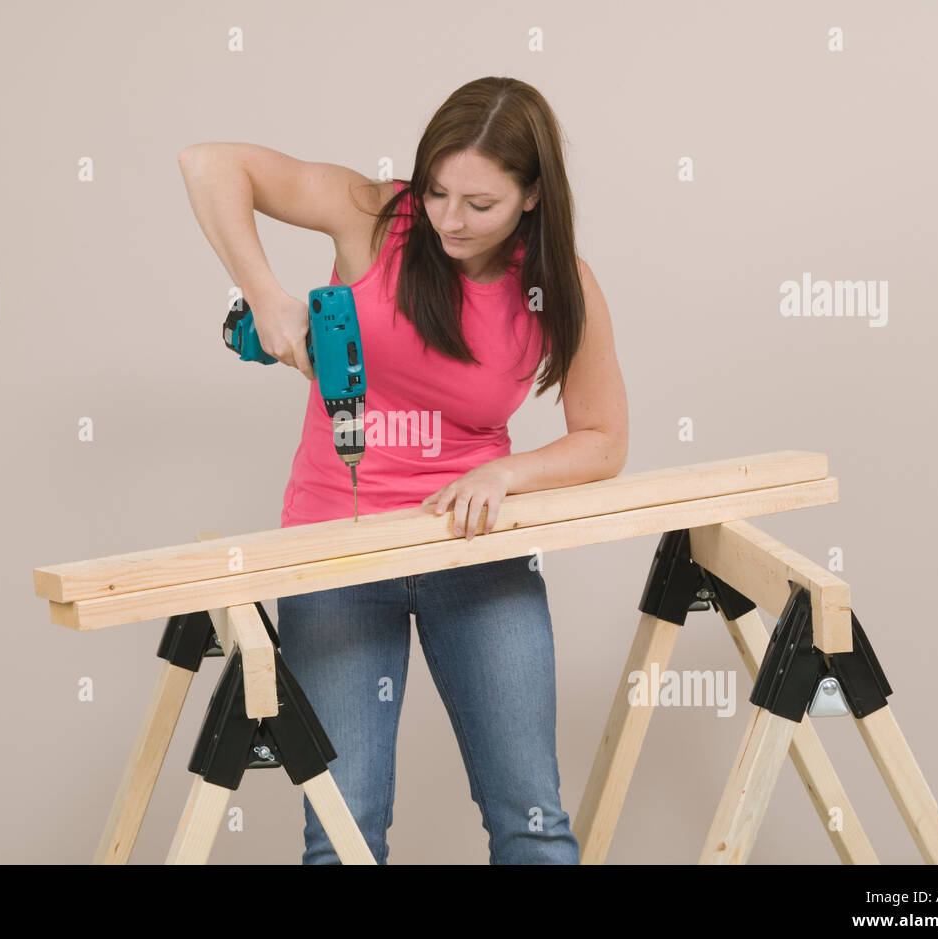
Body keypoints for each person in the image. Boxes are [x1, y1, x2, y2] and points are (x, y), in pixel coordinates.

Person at [178, 76, 628, 864]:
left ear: (531, 197)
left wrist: (507, 475)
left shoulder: (557, 283)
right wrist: (270, 298)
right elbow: (209, 162)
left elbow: (602, 439)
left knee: (533, 822)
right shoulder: (376, 216)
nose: (449, 220)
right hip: (336, 552)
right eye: (438, 192)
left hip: (474, 548)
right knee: (344, 833)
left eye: (479, 204)